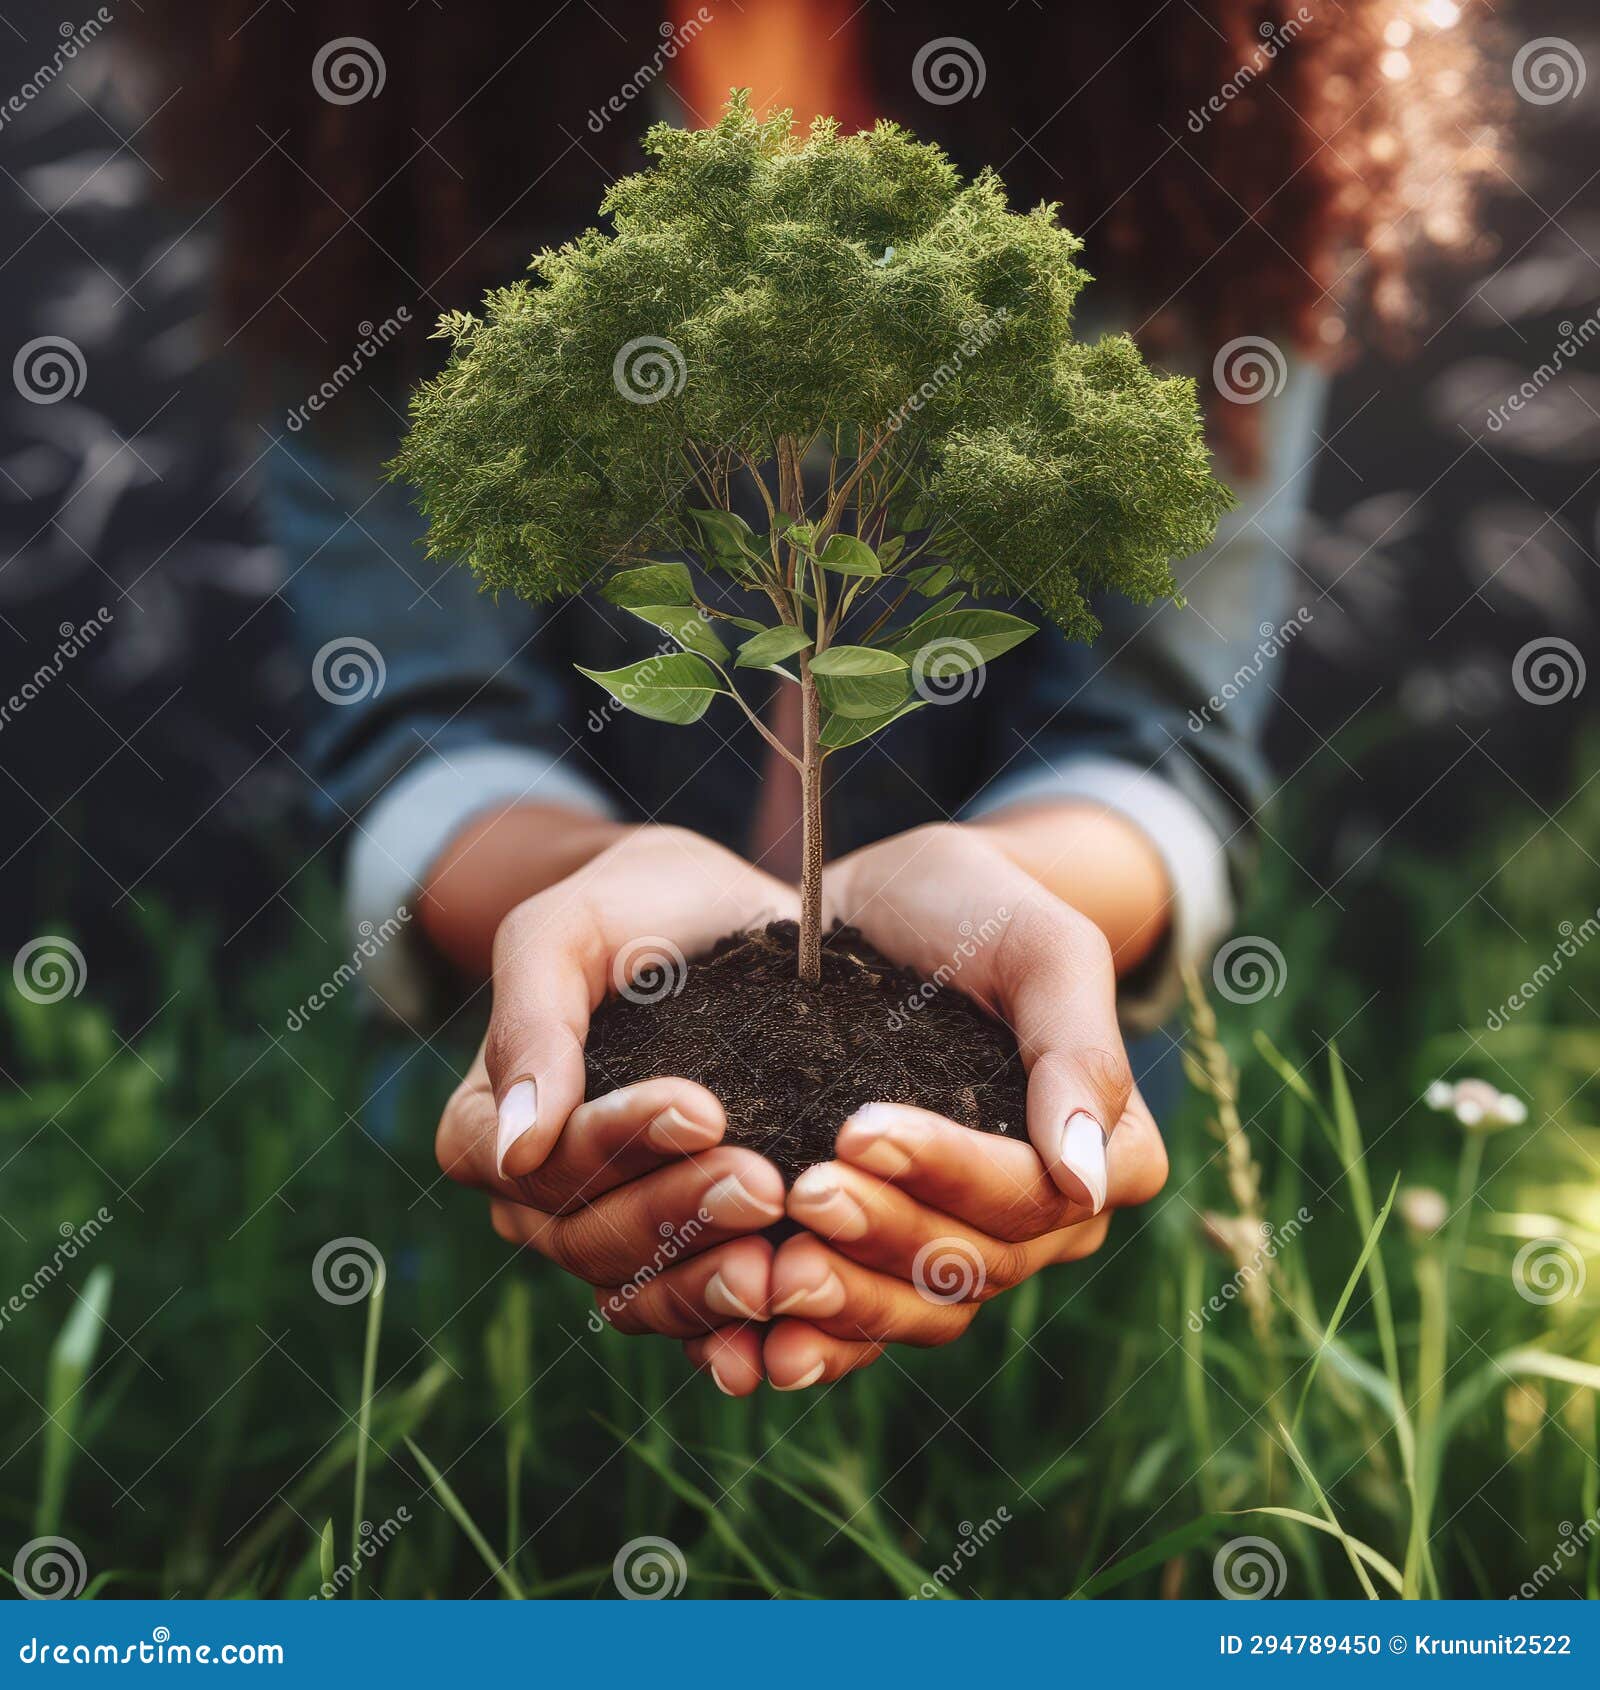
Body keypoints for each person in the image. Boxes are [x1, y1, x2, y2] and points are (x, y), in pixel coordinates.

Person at [138, 1, 1491, 1392]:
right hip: (500, 1215)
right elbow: (423, 729)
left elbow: (1156, 742)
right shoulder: (373, 99)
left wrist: (999, 904)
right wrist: (591, 902)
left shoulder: (1199, 83)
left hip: (1027, 1197)